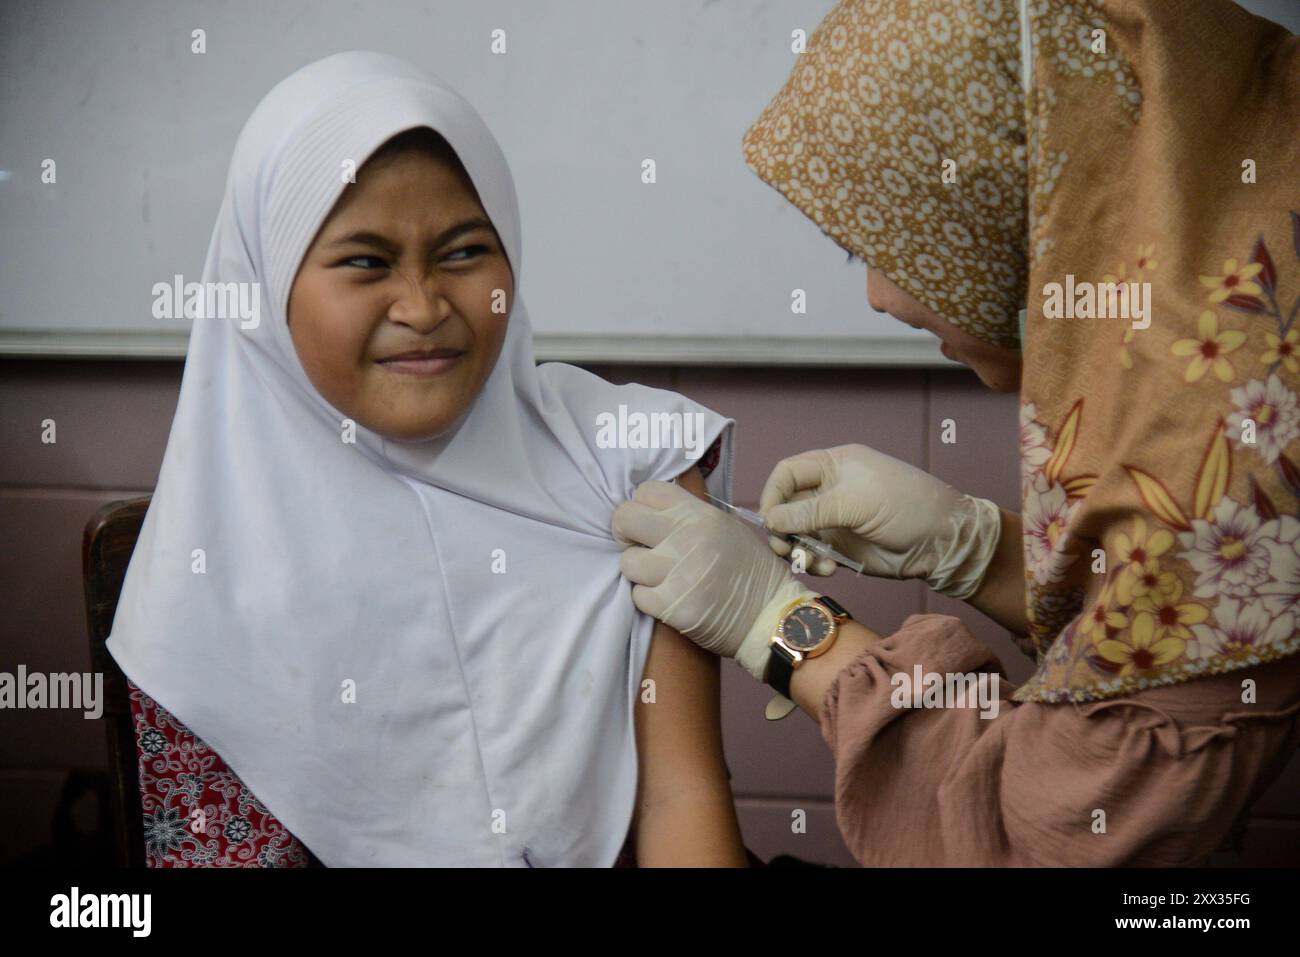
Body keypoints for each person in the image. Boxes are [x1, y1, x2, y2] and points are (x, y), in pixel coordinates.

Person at [613, 0, 1300, 865]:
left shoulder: (1233, 409)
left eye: (898, 242)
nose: (877, 298)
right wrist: (978, 548)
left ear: (1025, 190)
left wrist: (784, 625)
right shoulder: (1232, 261)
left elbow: (1045, 837)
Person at [109, 51, 750, 867]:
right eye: (366, 262)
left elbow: (680, 800)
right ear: (266, 286)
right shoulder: (199, 586)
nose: (423, 306)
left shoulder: (629, 463)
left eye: (463, 252)